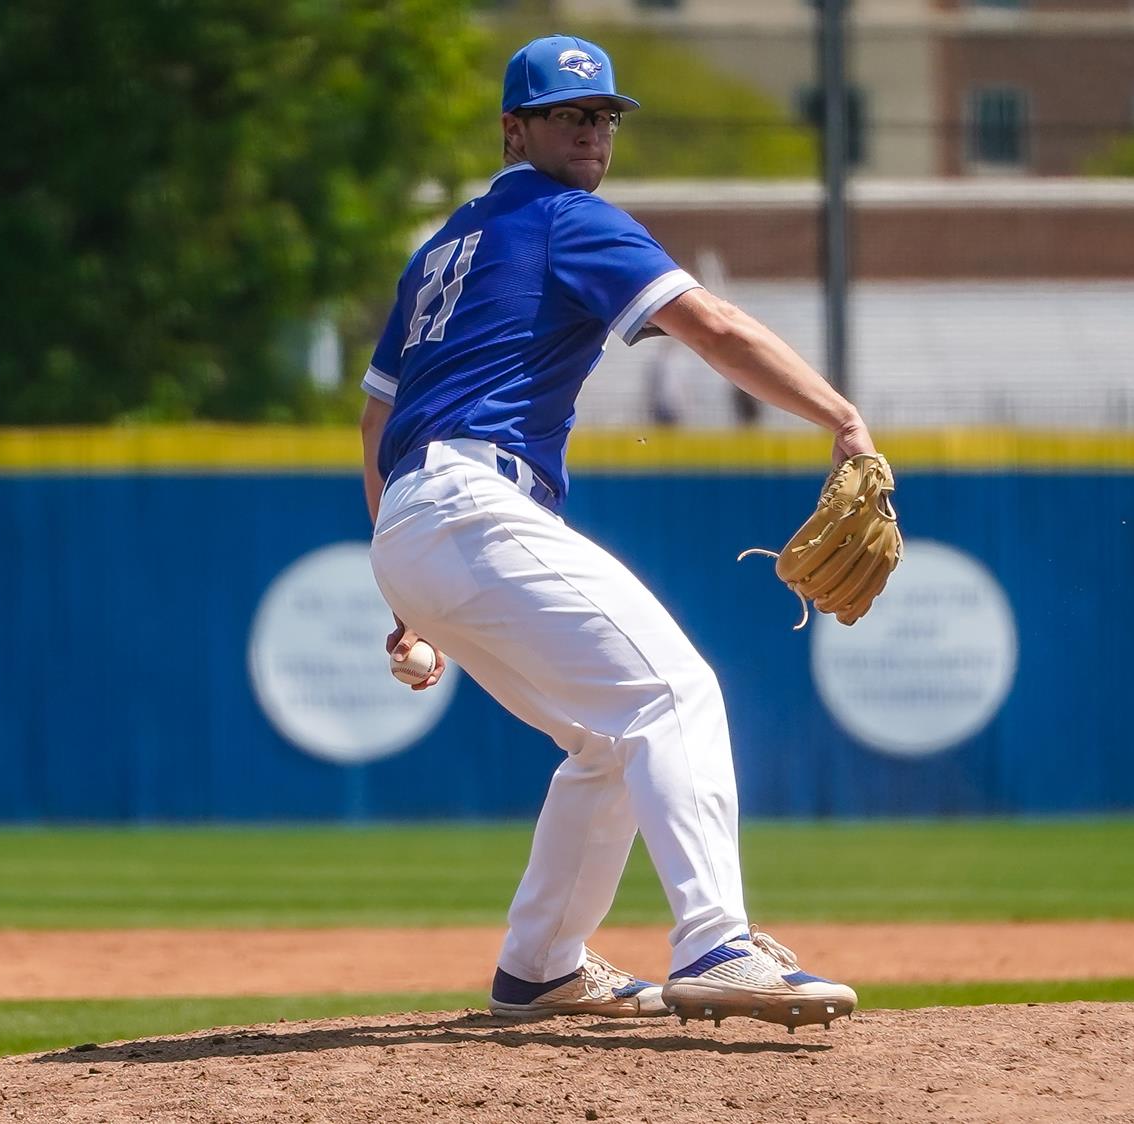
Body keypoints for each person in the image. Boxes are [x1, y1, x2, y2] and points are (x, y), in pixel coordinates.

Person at [359, 35, 875, 1030]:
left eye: (602, 116)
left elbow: (377, 423)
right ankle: (716, 941)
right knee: (672, 692)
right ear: (515, 130)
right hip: (472, 503)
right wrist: (839, 418)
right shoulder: (563, 218)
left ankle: (540, 966)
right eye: (566, 115)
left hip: (424, 520)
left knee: (605, 737)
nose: (591, 131)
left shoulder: (441, 249)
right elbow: (709, 325)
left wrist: (403, 594)